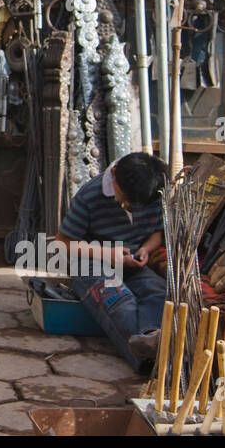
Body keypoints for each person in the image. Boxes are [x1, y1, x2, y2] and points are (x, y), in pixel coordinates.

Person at [54, 151, 167, 371]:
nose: (128, 206)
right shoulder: (89, 196)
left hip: (132, 264)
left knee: (158, 291)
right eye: (124, 199)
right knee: (120, 303)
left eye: (134, 204)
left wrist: (145, 249)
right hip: (90, 264)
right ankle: (147, 362)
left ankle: (151, 339)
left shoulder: (152, 193)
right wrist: (108, 255)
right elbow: (62, 242)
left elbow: (158, 233)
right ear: (113, 174)